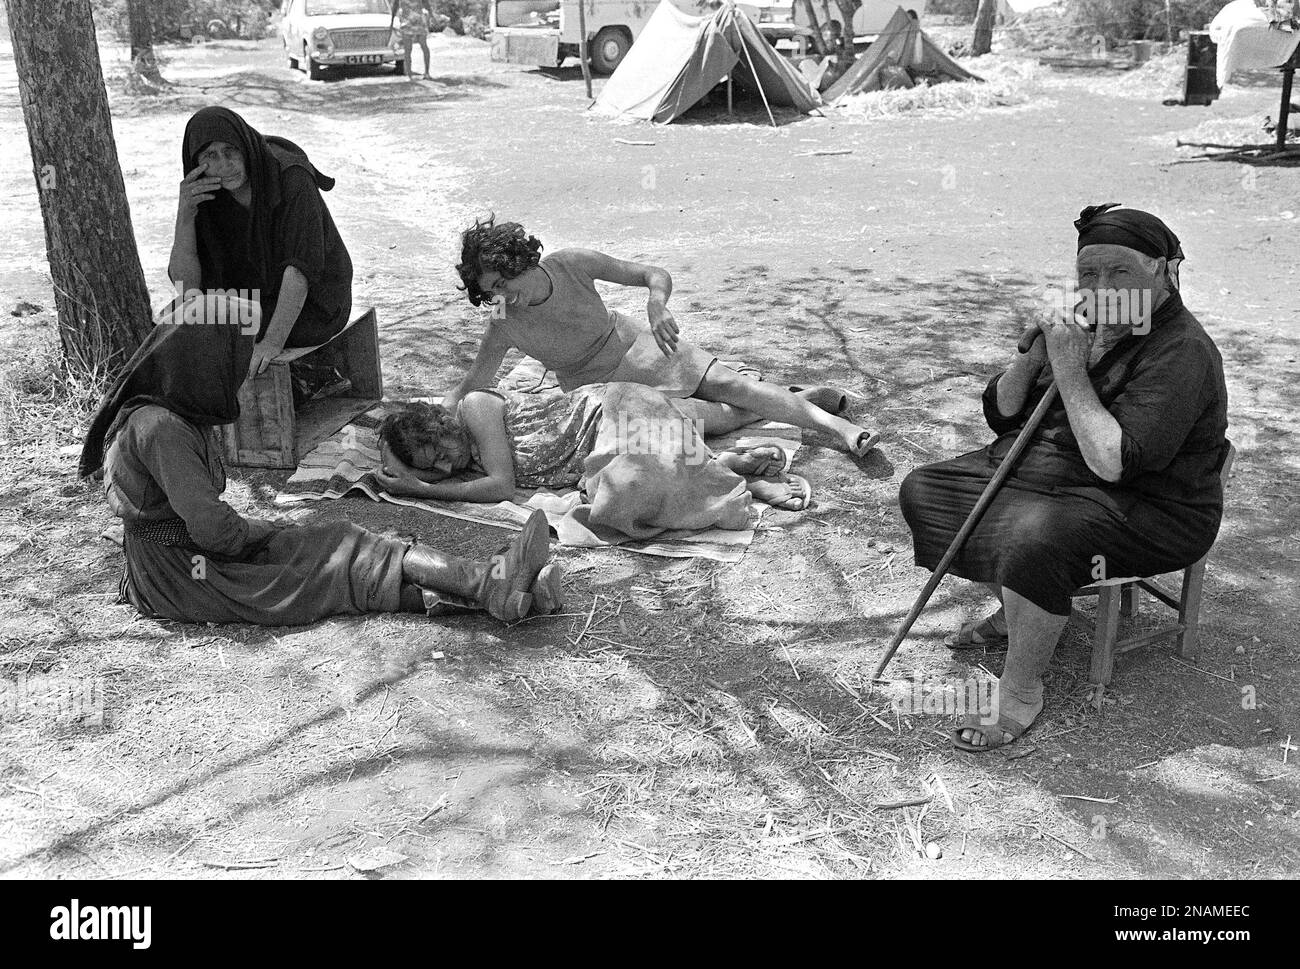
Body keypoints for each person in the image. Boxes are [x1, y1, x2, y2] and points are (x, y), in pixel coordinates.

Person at [898, 204, 1229, 751]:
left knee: (1035, 537)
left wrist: (1072, 369)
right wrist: (1031, 356)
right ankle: (1018, 607)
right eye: (1088, 273)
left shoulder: (1181, 351)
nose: (1102, 286)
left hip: (1150, 504)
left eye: (1120, 271)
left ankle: (1021, 691)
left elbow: (1112, 462)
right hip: (1053, 477)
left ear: (1163, 271)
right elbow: (1004, 415)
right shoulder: (1085, 321)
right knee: (927, 490)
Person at [79, 295, 563, 626]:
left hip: (187, 555)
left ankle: (500, 590)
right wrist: (262, 533)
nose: (243, 369)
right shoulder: (162, 428)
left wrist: (262, 533)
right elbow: (212, 532)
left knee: (344, 548)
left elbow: (205, 521)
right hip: (182, 572)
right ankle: (491, 586)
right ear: (203, 361)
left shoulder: (172, 414)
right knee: (333, 569)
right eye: (235, 357)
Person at [447, 216, 880, 458]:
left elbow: (654, 274)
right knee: (711, 421)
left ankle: (839, 428)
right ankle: (794, 395)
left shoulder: (570, 264)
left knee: (734, 387)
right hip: (607, 394)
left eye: (501, 284)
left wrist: (657, 303)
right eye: (489, 293)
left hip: (641, 347)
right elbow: (475, 382)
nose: (499, 297)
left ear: (517, 261)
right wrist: (432, 418)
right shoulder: (504, 319)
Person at [372, 382, 812, 539]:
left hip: (611, 410)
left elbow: (502, 488)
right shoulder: (465, 461)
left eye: (439, 454)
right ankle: (730, 466)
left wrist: (422, 490)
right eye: (436, 470)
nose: (447, 470)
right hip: (612, 443)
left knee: (630, 484)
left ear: (439, 426)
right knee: (624, 492)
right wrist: (415, 470)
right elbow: (392, 456)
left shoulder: (474, 408)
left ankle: (737, 471)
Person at [170, 106, 353, 380]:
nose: (224, 164)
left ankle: (314, 379)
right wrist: (185, 215)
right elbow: (187, 287)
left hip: (315, 305)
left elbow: (299, 270)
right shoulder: (208, 192)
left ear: (245, 146)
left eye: (231, 150)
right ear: (197, 162)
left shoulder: (290, 177)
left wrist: (271, 343)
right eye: (211, 155)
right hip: (255, 300)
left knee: (211, 329)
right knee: (180, 320)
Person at [397, 0, 433, 81]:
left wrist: (431, 16)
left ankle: (426, 72)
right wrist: (392, 22)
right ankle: (409, 74)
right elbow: (395, 6)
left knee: (424, 46)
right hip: (406, 23)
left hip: (419, 21)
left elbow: (426, 3)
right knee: (408, 49)